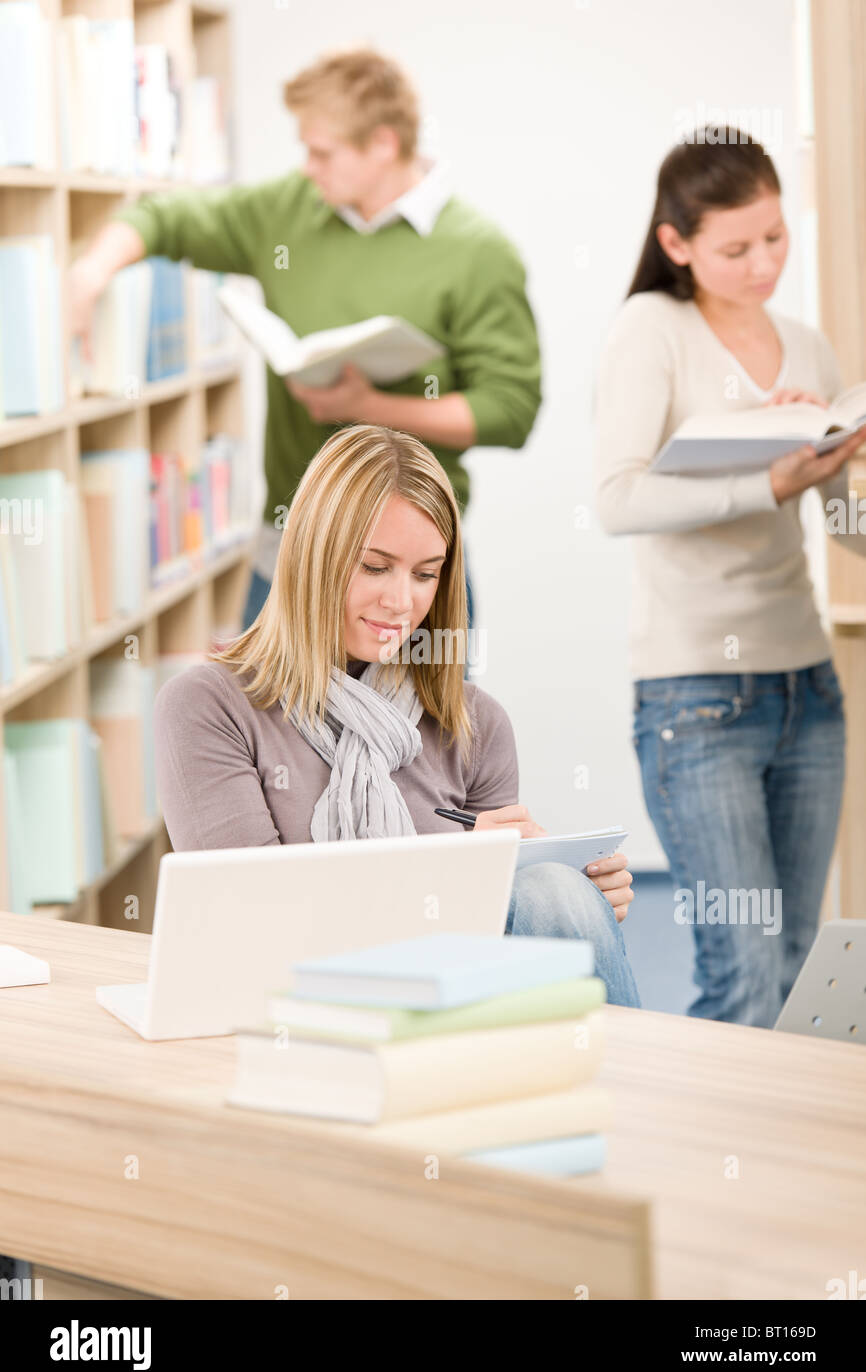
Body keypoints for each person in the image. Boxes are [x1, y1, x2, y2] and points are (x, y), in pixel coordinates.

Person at [153, 424, 639, 1005]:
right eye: (375, 566)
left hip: (452, 1002)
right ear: (314, 555)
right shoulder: (208, 706)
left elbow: (488, 954)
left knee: (555, 892)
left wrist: (575, 892)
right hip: (293, 1009)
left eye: (425, 573)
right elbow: (252, 923)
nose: (401, 601)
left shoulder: (475, 722)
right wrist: (454, 867)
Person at [67, 46, 542, 632]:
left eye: (322, 152)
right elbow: (167, 219)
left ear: (384, 145)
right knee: (259, 724)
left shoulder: (477, 252)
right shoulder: (290, 210)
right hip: (288, 551)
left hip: (410, 563)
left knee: (420, 727)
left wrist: (370, 408)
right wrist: (91, 272)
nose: (308, 167)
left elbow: (511, 409)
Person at [594, 127, 866, 1028]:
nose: (764, 264)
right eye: (736, 247)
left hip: (807, 686)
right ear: (677, 244)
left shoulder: (807, 346)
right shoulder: (651, 329)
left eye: (776, 238)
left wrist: (846, 476)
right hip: (695, 694)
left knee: (798, 968)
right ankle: (717, 1171)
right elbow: (619, 500)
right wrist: (767, 478)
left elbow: (840, 530)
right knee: (743, 970)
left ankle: (783, 1171)